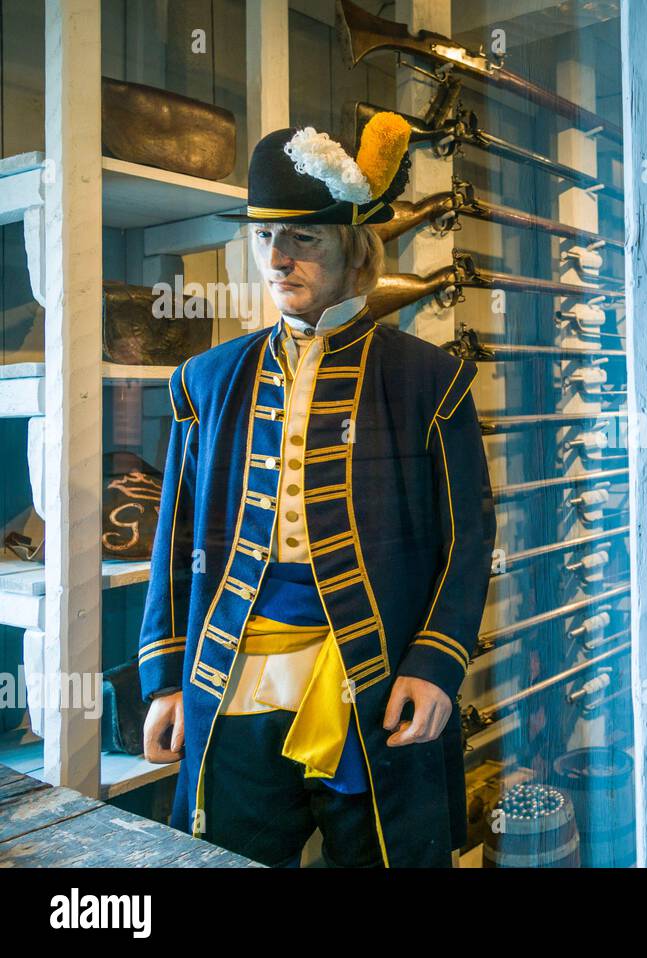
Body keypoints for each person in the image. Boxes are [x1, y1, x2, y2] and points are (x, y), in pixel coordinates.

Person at [137, 113, 496, 868]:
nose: (278, 257)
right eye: (266, 236)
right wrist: (167, 678)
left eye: (305, 237)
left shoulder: (429, 381)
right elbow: (176, 539)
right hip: (231, 674)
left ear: (354, 250)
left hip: (371, 677)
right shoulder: (205, 381)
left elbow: (467, 540)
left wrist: (435, 661)